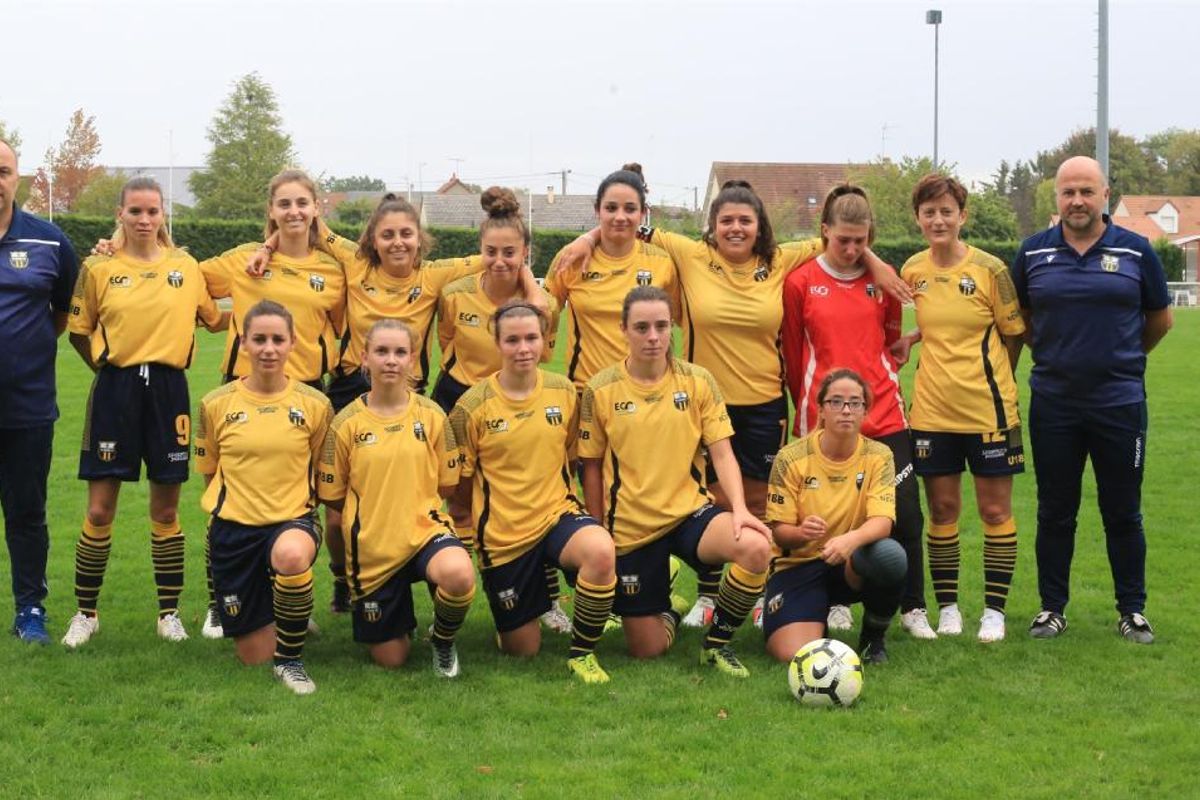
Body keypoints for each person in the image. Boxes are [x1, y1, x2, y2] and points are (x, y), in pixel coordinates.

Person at [559, 179, 905, 626]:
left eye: (745, 220)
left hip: (762, 401)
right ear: (713, 226)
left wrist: (875, 262)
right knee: (710, 497)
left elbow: (838, 241)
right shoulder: (691, 255)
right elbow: (631, 226)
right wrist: (587, 237)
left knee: (760, 500)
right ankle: (707, 596)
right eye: (726, 221)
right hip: (696, 401)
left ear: (759, 225)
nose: (736, 228)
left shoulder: (779, 259)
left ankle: (760, 591)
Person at [543, 165, 723, 628]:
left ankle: (680, 579)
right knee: (572, 495)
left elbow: (678, 321)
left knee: (663, 487)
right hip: (587, 396)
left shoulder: (661, 260)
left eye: (629, 208)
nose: (619, 217)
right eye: (610, 208)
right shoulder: (573, 258)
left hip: (653, 397)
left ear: (643, 213)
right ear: (596, 211)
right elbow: (544, 313)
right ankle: (575, 595)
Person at [1011, 156, 1172, 644]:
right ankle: (1051, 609)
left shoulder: (1137, 251)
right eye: (1068, 192)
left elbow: (1160, 320)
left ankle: (1132, 610)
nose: (1076, 201)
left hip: (1119, 403)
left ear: (1105, 194)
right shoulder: (1034, 253)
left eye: (1086, 191)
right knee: (1055, 510)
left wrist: (1120, 359)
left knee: (1123, 511)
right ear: (1056, 199)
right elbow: (1021, 318)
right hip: (1055, 404)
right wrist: (1059, 356)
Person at [61, 177, 224, 648]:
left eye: (153, 211)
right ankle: (85, 613)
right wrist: (110, 367)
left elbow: (214, 318)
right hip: (116, 391)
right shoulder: (97, 267)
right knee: (99, 507)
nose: (145, 220)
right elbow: (78, 330)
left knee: (167, 508)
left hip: (169, 392)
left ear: (163, 215)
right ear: (120, 214)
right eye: (135, 211)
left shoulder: (186, 267)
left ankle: (168, 613)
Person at [578, 286, 772, 678]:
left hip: (691, 515)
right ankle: (668, 602)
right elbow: (592, 465)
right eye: (642, 327)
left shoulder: (698, 381)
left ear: (673, 329)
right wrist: (598, 527)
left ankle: (716, 645)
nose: (653, 337)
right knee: (647, 650)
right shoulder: (601, 389)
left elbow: (722, 453)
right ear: (624, 330)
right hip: (633, 528)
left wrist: (738, 510)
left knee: (755, 546)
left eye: (661, 326)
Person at [780, 185, 929, 640]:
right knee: (833, 512)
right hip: (824, 418)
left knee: (905, 513)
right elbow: (792, 353)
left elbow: (888, 342)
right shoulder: (800, 282)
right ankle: (838, 601)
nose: (850, 249)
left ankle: (914, 606)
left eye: (860, 241)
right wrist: (809, 410)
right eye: (841, 239)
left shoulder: (880, 282)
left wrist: (893, 358)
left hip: (884, 413)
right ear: (823, 231)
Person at [449, 302, 618, 684]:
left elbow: (576, 454)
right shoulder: (472, 406)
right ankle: (514, 616)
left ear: (545, 342)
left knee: (600, 549)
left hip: (556, 515)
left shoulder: (563, 392)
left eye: (531, 338)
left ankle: (582, 654)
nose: (523, 348)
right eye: (512, 340)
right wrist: (472, 522)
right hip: (504, 536)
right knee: (523, 651)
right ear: (497, 343)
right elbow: (459, 484)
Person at [892, 174, 1025, 643]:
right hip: (931, 412)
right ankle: (948, 608)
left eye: (947, 211)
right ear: (918, 219)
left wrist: (994, 381)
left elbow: (1013, 333)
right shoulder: (911, 270)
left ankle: (994, 611)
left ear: (962, 216)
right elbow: (935, 324)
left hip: (990, 412)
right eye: (929, 212)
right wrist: (912, 336)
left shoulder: (991, 269)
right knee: (943, 508)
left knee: (994, 512)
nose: (938, 219)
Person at [320, 319, 475, 676]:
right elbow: (333, 496)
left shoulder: (432, 415)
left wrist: (411, 506)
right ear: (365, 358)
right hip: (373, 549)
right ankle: (396, 613)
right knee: (392, 659)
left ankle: (443, 639)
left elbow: (447, 485)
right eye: (382, 351)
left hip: (424, 533)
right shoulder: (345, 424)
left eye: (400, 352)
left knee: (458, 575)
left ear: (412, 361)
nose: (391, 360)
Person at [194, 300, 333, 694]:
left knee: (289, 555)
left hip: (292, 523)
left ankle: (290, 661)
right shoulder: (215, 403)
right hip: (235, 532)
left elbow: (323, 479)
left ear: (292, 344)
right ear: (244, 344)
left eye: (277, 339)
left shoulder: (315, 404)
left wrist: (303, 515)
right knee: (254, 654)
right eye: (260, 339)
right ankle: (286, 608)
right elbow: (210, 475)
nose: (269, 348)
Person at [763, 369, 907, 664]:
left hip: (848, 565)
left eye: (855, 403)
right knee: (794, 654)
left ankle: (873, 637)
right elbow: (778, 531)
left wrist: (849, 541)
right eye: (836, 402)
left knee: (889, 556)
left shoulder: (880, 456)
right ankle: (810, 615)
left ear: (865, 411)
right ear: (821, 409)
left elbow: (883, 522)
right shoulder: (790, 458)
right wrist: (802, 532)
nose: (846, 410)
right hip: (798, 566)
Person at [0, 137, 79, 644]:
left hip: (26, 407)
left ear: (16, 177)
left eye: (3, 170)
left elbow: (62, 311)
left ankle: (30, 608)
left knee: (27, 512)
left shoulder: (49, 241)